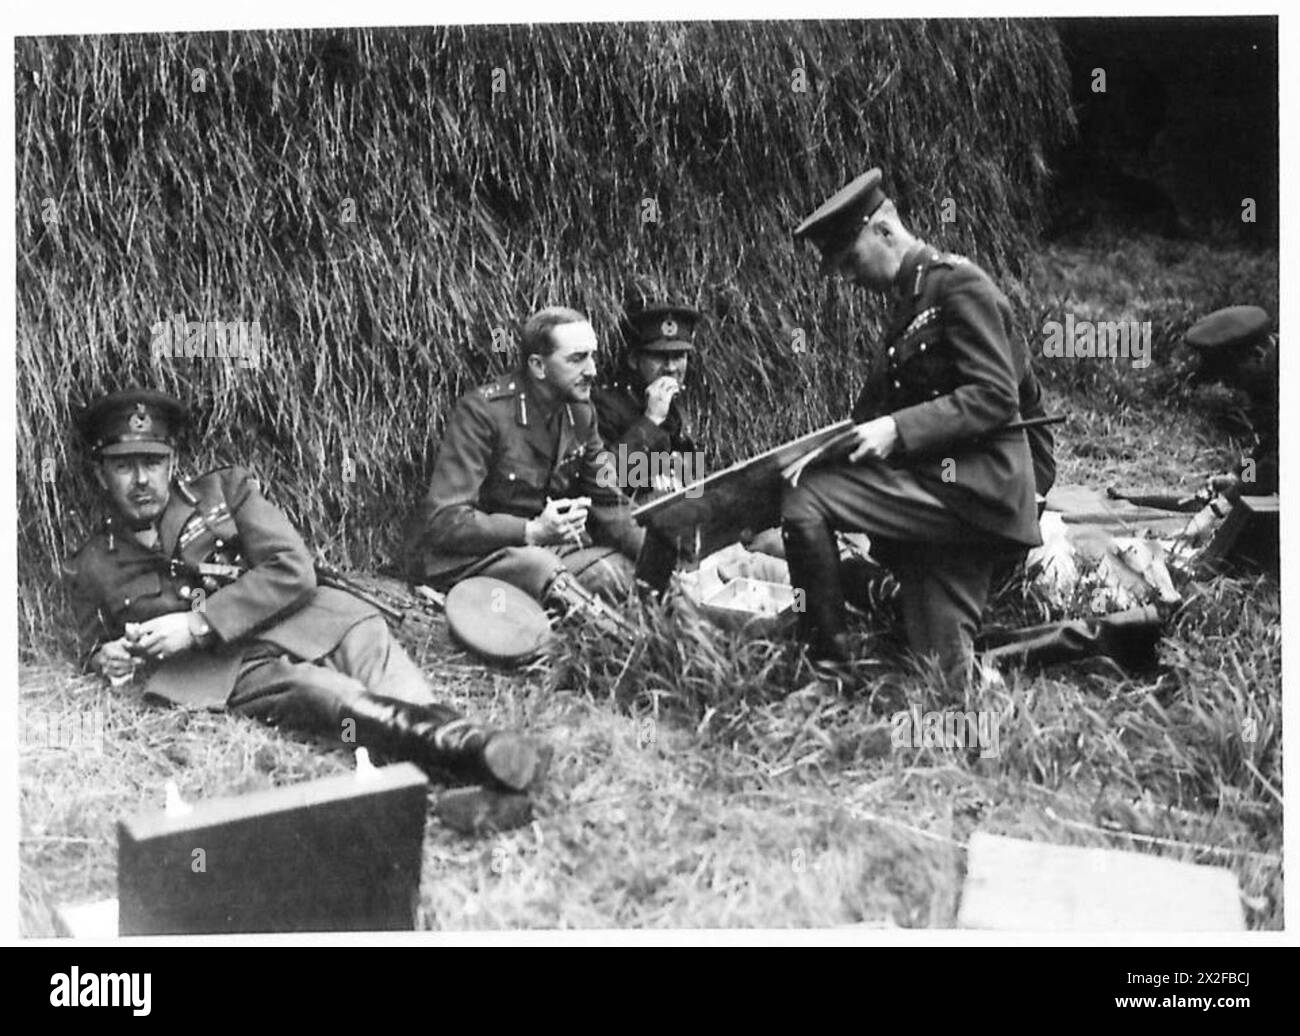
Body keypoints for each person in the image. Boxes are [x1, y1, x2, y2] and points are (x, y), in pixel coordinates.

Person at [62, 389, 547, 820]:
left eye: (153, 462)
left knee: (402, 689)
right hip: (235, 666)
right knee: (332, 698)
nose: (141, 480)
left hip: (316, 617)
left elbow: (292, 566)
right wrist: (108, 657)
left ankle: (475, 762)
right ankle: (480, 762)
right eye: (124, 466)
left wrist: (197, 622)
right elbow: (90, 646)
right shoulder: (91, 564)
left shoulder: (224, 491)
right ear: (101, 475)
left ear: (172, 462)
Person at [782, 168, 1055, 683]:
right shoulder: (906, 310)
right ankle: (989, 726)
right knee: (942, 679)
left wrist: (897, 430)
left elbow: (996, 394)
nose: (847, 277)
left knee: (807, 500)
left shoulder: (959, 285)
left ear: (883, 231)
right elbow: (867, 416)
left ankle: (829, 677)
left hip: (975, 489)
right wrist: (819, 450)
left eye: (849, 259)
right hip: (946, 501)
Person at [405, 306, 645, 608]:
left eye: (592, 355)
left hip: (545, 553)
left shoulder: (581, 414)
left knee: (623, 570)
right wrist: (530, 531)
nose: (593, 370)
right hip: (475, 559)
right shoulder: (483, 413)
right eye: (577, 359)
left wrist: (658, 554)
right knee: (542, 569)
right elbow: (444, 520)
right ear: (538, 366)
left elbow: (609, 499)